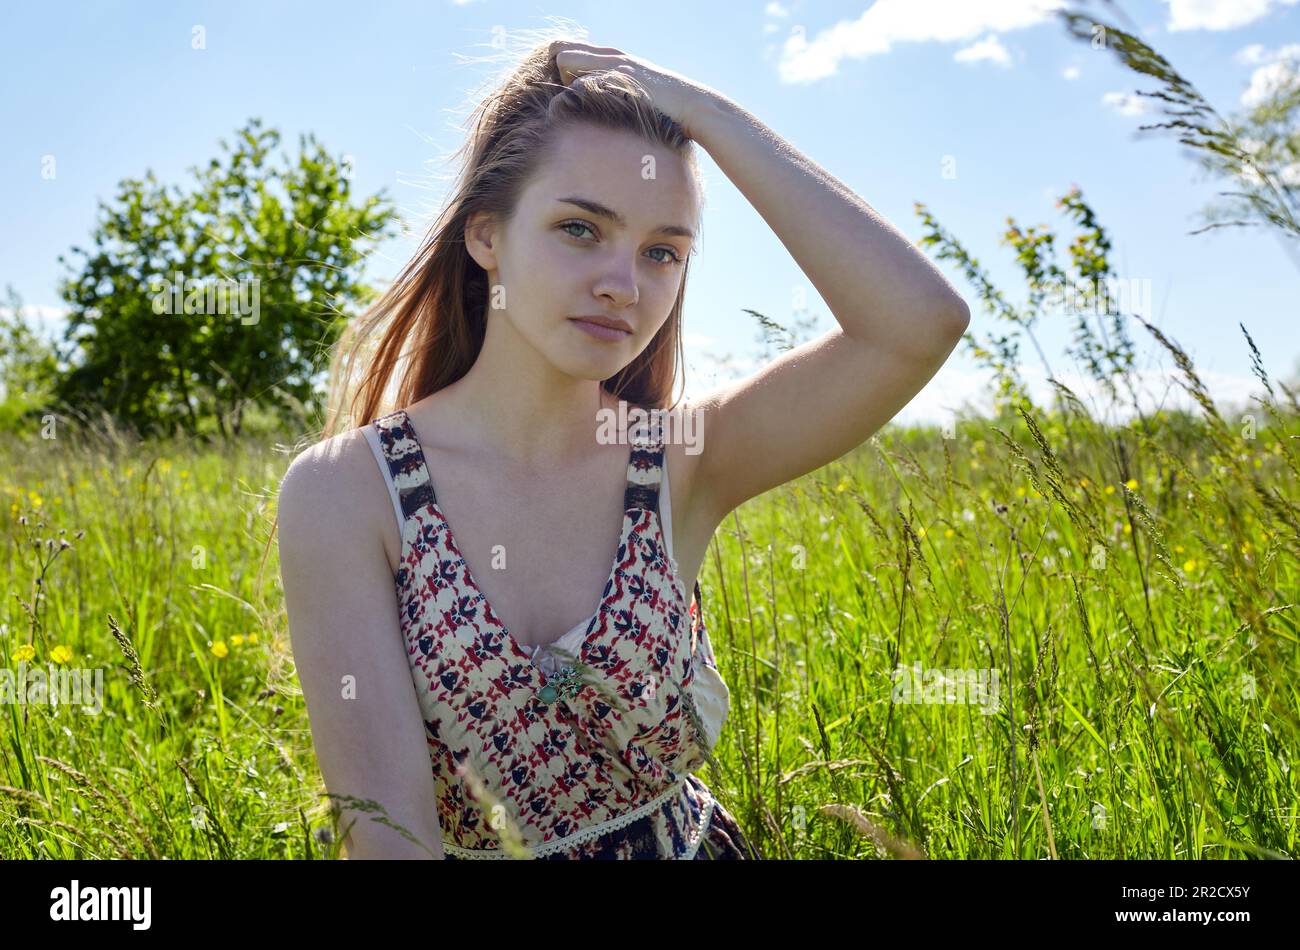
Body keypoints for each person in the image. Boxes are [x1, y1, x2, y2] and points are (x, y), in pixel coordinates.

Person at [276, 35, 970, 860]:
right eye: (580, 229)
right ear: (486, 237)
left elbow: (919, 323)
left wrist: (707, 116)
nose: (625, 284)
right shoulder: (350, 491)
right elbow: (391, 844)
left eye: (662, 252)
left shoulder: (682, 459)